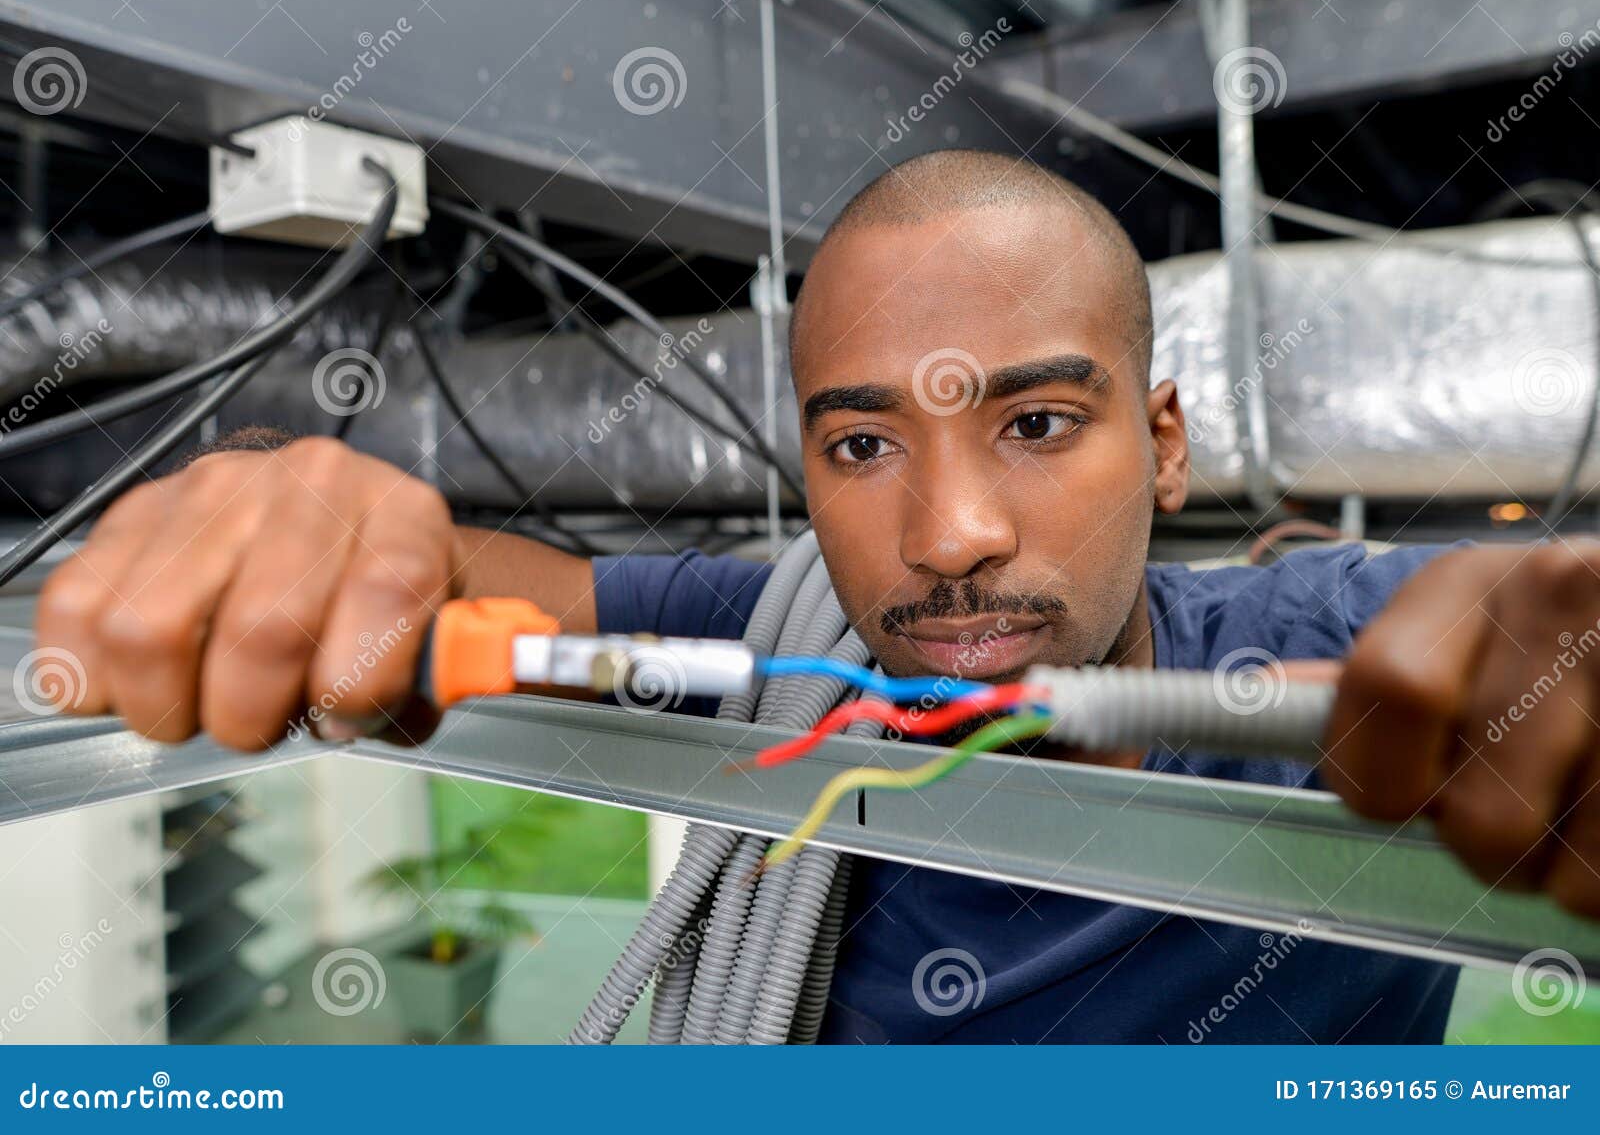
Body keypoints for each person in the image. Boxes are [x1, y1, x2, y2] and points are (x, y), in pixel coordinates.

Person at [34, 150, 1600, 1042]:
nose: (950, 534)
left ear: (1166, 444)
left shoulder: (1339, 653)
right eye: (862, 443)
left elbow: (1516, 620)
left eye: (1038, 422)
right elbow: (448, 576)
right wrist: (302, 499)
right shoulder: (774, 647)